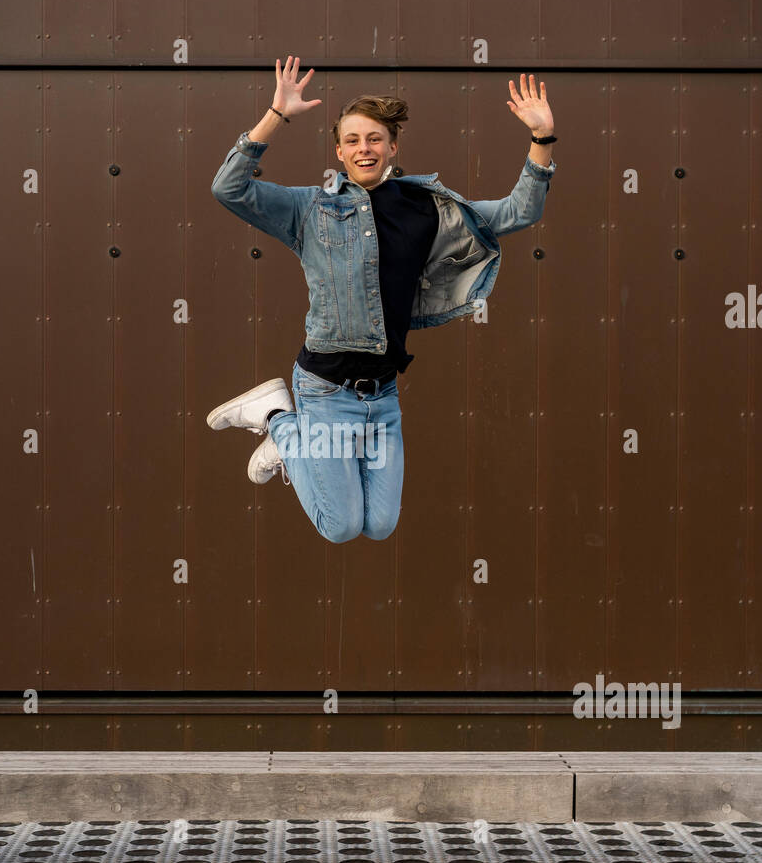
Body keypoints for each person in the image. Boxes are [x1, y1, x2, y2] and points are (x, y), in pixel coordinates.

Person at [207, 56, 557, 544]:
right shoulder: (311, 207)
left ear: (392, 146)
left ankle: (288, 433)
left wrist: (541, 140)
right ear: (339, 151)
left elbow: (520, 211)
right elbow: (229, 188)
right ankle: (280, 422)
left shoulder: (426, 209)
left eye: (374, 138)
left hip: (382, 397)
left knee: (379, 525)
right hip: (325, 390)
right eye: (352, 140)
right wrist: (277, 116)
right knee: (340, 526)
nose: (364, 148)